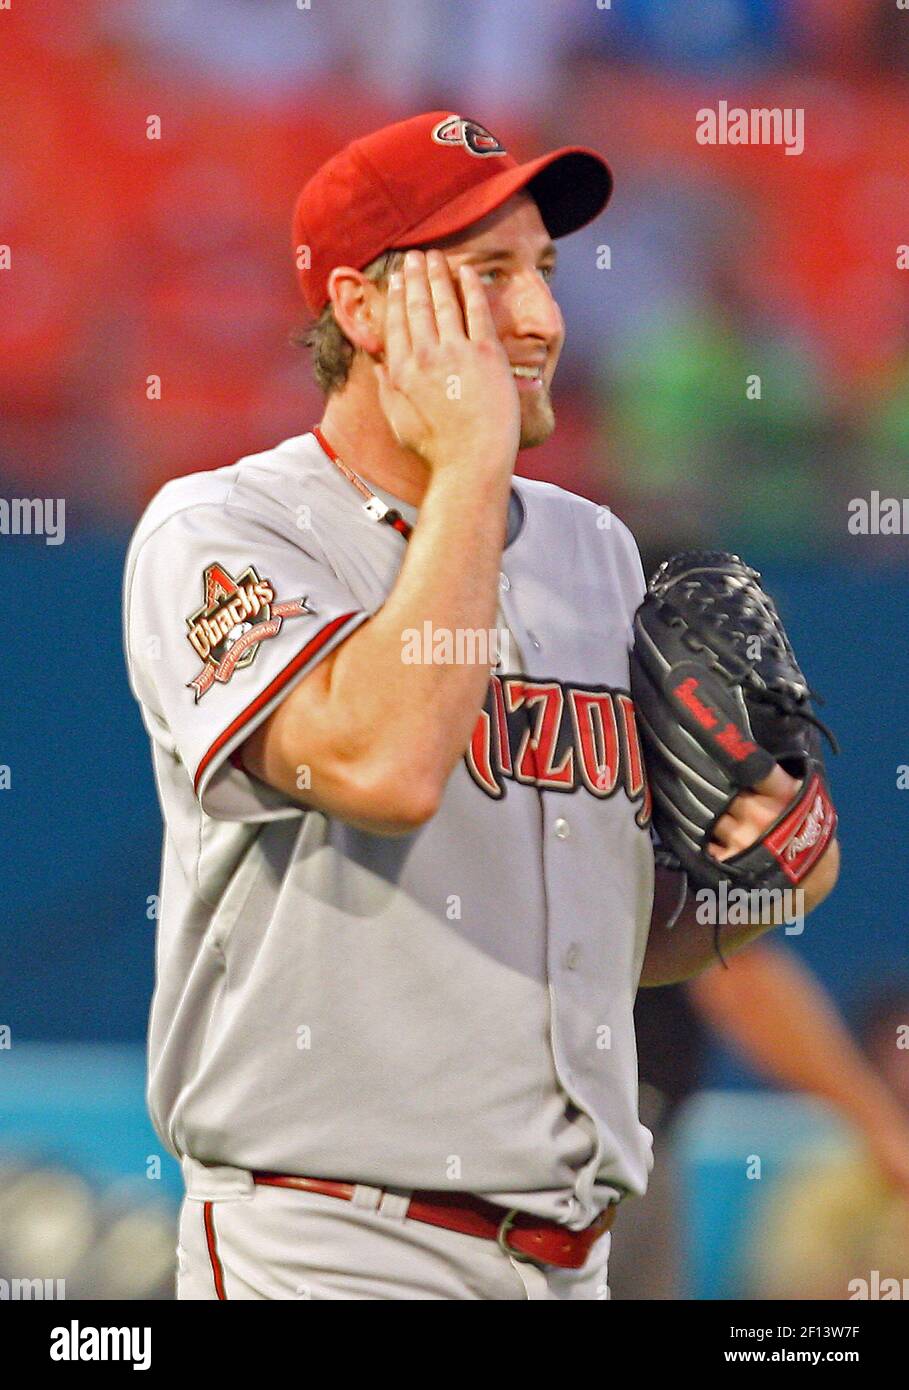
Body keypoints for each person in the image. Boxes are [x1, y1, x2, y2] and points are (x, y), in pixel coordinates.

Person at [123, 110, 839, 1300]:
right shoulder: (225, 533)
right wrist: (469, 462)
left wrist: (760, 880)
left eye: (546, 274)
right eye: (488, 277)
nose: (544, 319)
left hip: (572, 1254)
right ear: (361, 308)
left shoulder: (597, 554)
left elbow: (600, 947)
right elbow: (386, 769)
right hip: (330, 1243)